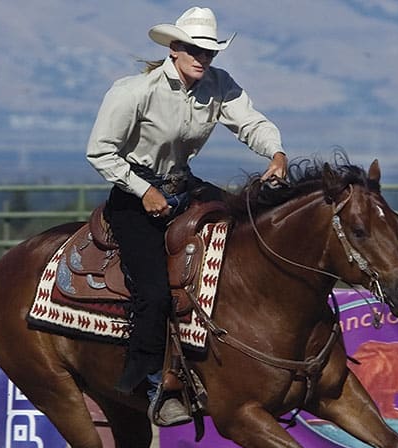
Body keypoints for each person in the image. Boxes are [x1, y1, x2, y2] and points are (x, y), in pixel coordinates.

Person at [86, 7, 288, 426]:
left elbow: (249, 121)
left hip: (181, 186)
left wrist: (275, 152)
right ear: (174, 49)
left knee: (246, 234)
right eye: (195, 49)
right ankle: (156, 382)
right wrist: (144, 191)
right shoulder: (133, 92)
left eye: (209, 52)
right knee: (155, 291)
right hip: (133, 191)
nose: (203, 58)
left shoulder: (219, 86)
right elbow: (101, 151)